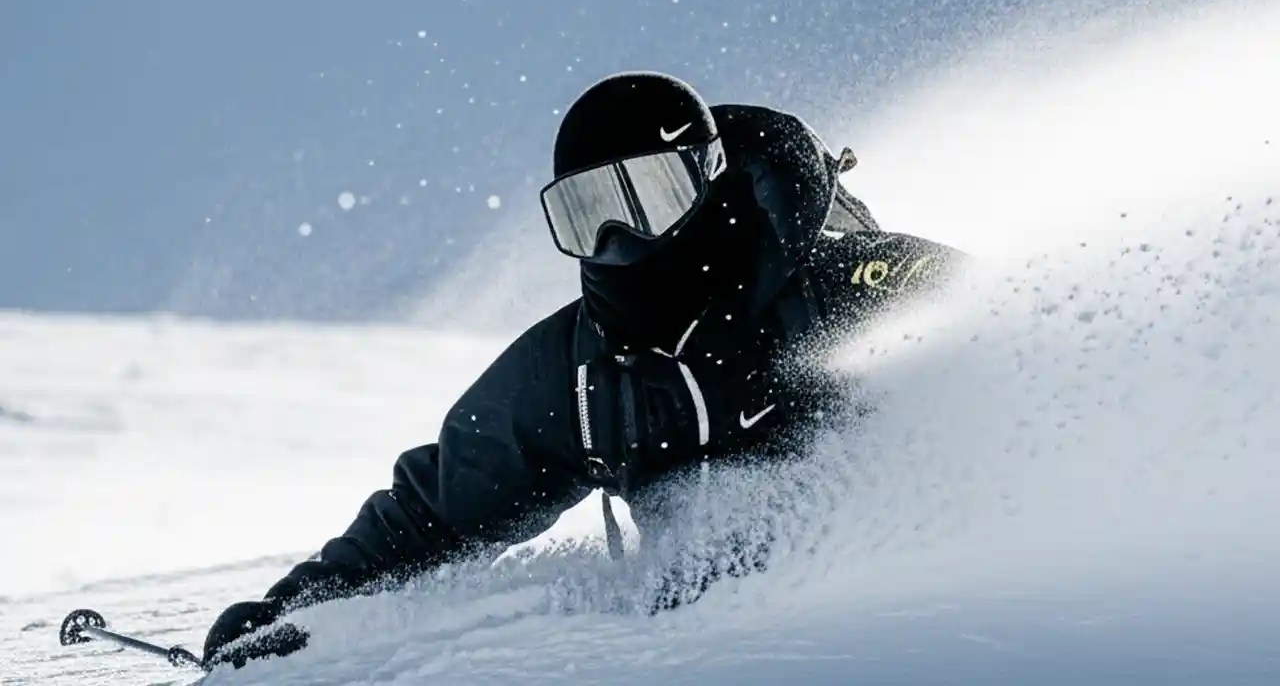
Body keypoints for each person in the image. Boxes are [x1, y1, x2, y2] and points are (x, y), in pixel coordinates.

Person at [203, 72, 962, 667]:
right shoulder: (583, 373)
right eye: (585, 213)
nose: (617, 237)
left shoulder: (837, 286)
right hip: (697, 652)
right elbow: (434, 508)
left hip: (886, 627)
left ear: (708, 182)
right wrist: (296, 610)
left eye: (650, 196)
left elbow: (1034, 338)